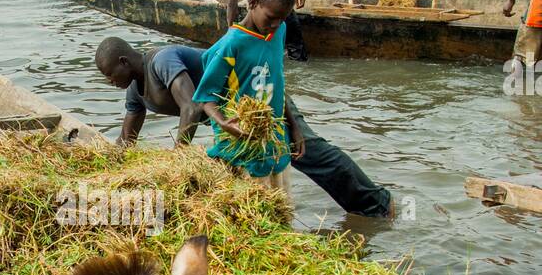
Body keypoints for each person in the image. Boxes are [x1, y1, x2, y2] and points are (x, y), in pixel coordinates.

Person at [94, 34, 394, 218]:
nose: (110, 83)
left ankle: (377, 205)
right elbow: (126, 139)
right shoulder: (134, 90)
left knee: (307, 153)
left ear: (124, 61)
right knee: (242, 180)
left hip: (257, 101)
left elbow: (192, 106)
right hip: (228, 123)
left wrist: (177, 162)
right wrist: (109, 171)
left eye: (109, 75)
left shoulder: (162, 60)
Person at [192, 0, 301, 188]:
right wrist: (225, 123)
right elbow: (206, 97)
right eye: (271, 18)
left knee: (282, 206)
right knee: (254, 208)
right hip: (244, 145)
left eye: (282, 20)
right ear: (252, 2)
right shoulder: (232, 44)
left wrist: (295, 127)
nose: (276, 25)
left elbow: (276, 83)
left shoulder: (278, 32)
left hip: (275, 144)